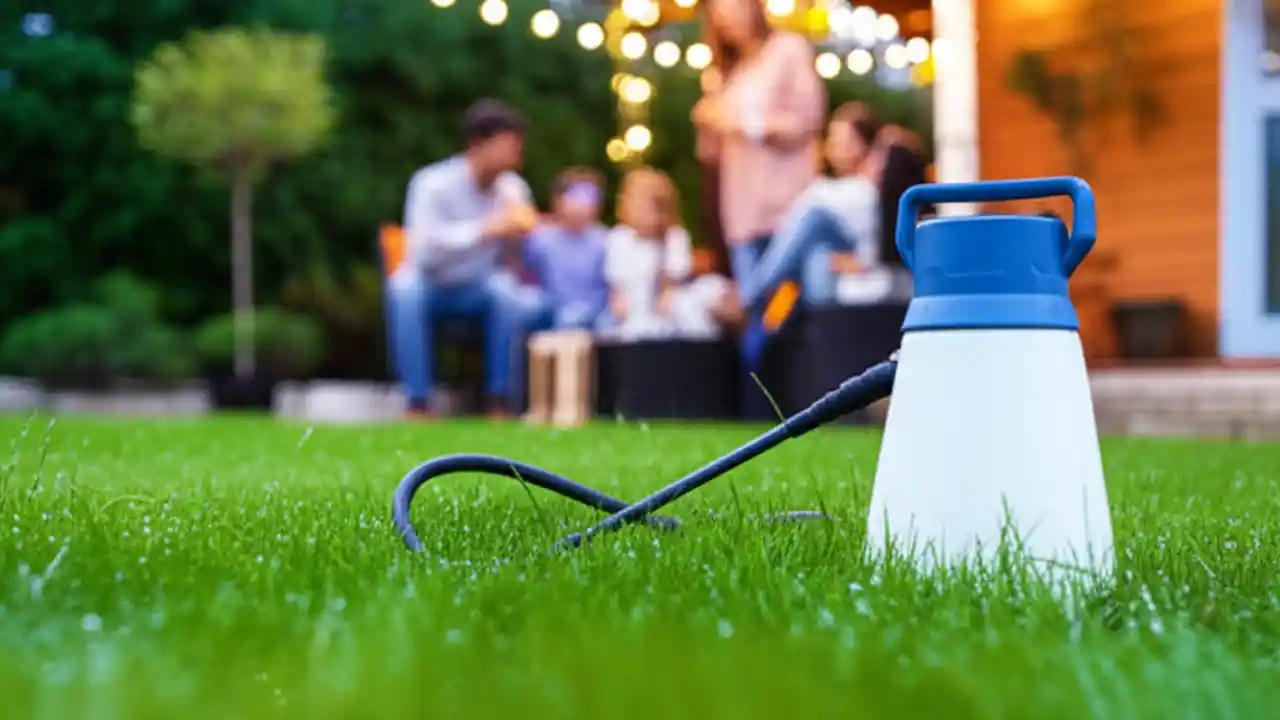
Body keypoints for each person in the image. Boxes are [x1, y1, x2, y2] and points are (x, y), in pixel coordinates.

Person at [691, 0, 826, 416]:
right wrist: (707, 124)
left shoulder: (788, 51)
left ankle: (821, 407)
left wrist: (740, 121)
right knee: (757, 328)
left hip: (790, 209)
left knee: (805, 311)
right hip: (743, 214)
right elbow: (711, 153)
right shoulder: (727, 72)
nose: (724, 16)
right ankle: (757, 418)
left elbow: (806, 122)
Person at [388, 99, 538, 419]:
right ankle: (418, 402)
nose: (515, 156)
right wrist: (485, 229)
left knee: (508, 294)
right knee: (404, 291)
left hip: (478, 288)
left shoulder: (513, 189)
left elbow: (516, 261)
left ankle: (499, 400)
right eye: (507, 146)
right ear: (477, 145)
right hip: (431, 283)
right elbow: (424, 251)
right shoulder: (431, 183)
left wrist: (519, 236)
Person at [733, 102, 928, 315]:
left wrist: (861, 263)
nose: (833, 148)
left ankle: (751, 301)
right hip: (845, 272)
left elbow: (878, 245)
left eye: (844, 141)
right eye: (833, 140)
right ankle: (772, 319)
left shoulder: (865, 192)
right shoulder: (850, 192)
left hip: (874, 276)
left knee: (814, 223)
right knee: (818, 252)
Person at [600, 167, 730, 341]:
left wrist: (662, 305)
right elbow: (617, 289)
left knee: (690, 305)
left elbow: (670, 286)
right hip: (631, 308)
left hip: (666, 309)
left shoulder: (674, 237)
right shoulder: (618, 238)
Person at [522, 167, 611, 332]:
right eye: (574, 197)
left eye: (589, 198)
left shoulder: (606, 241)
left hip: (596, 313)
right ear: (557, 201)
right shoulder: (540, 239)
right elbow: (526, 277)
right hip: (551, 311)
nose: (581, 206)